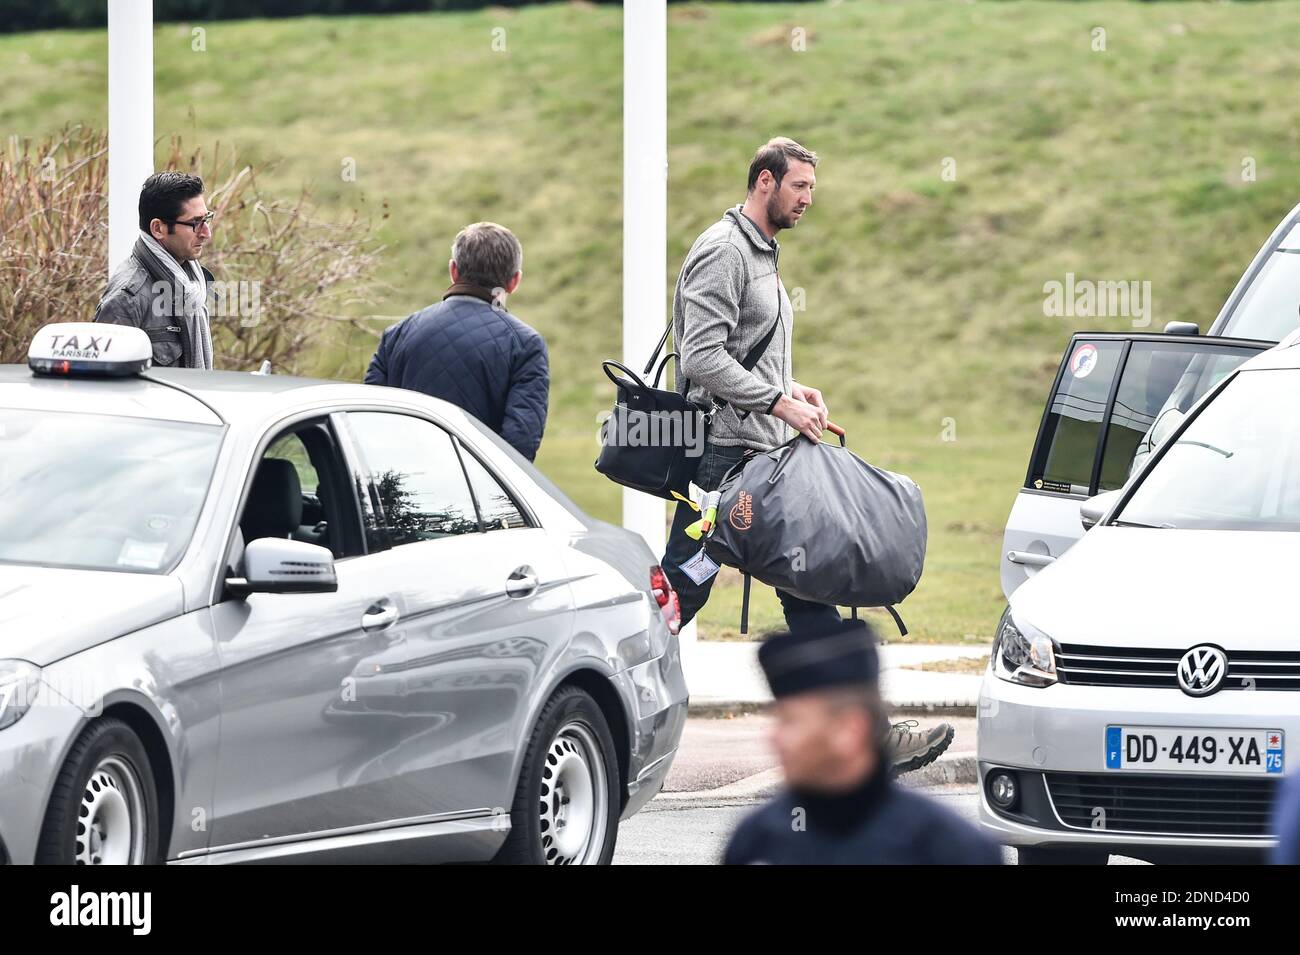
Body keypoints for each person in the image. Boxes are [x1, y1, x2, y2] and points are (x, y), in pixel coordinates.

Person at [664, 137, 951, 773]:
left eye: (812, 189)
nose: (808, 199)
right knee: (680, 589)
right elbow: (702, 358)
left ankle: (865, 736)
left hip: (760, 462)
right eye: (799, 187)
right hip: (722, 467)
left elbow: (742, 350)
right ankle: (600, 693)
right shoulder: (723, 250)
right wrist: (776, 401)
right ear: (764, 181)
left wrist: (790, 388)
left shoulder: (761, 252)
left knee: (807, 585)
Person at [724, 619, 1003, 865]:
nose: (773, 737)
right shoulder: (757, 841)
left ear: (850, 730)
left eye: (791, 721)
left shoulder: (951, 850)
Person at [365, 221, 549, 462]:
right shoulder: (525, 346)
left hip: (397, 490)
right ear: (514, 281)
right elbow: (519, 448)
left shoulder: (397, 334)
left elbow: (368, 423)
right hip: (473, 496)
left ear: (453, 271)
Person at [94, 171, 215, 369]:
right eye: (195, 223)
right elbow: (104, 385)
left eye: (206, 219)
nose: (206, 233)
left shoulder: (190, 282)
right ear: (158, 229)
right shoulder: (127, 297)